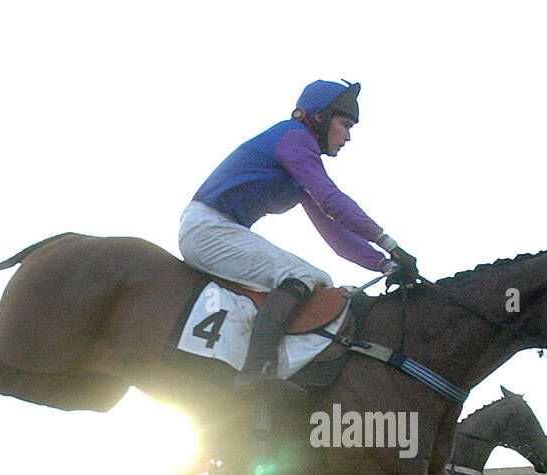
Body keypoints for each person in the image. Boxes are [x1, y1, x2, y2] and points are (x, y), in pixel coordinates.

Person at [179, 80, 420, 395]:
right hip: (207, 228)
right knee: (299, 275)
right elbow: (333, 201)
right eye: (344, 124)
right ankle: (257, 369)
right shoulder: (294, 140)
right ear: (320, 118)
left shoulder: (298, 156)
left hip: (216, 228)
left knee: (317, 276)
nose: (348, 136)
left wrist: (384, 265)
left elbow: (336, 234)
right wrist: (390, 245)